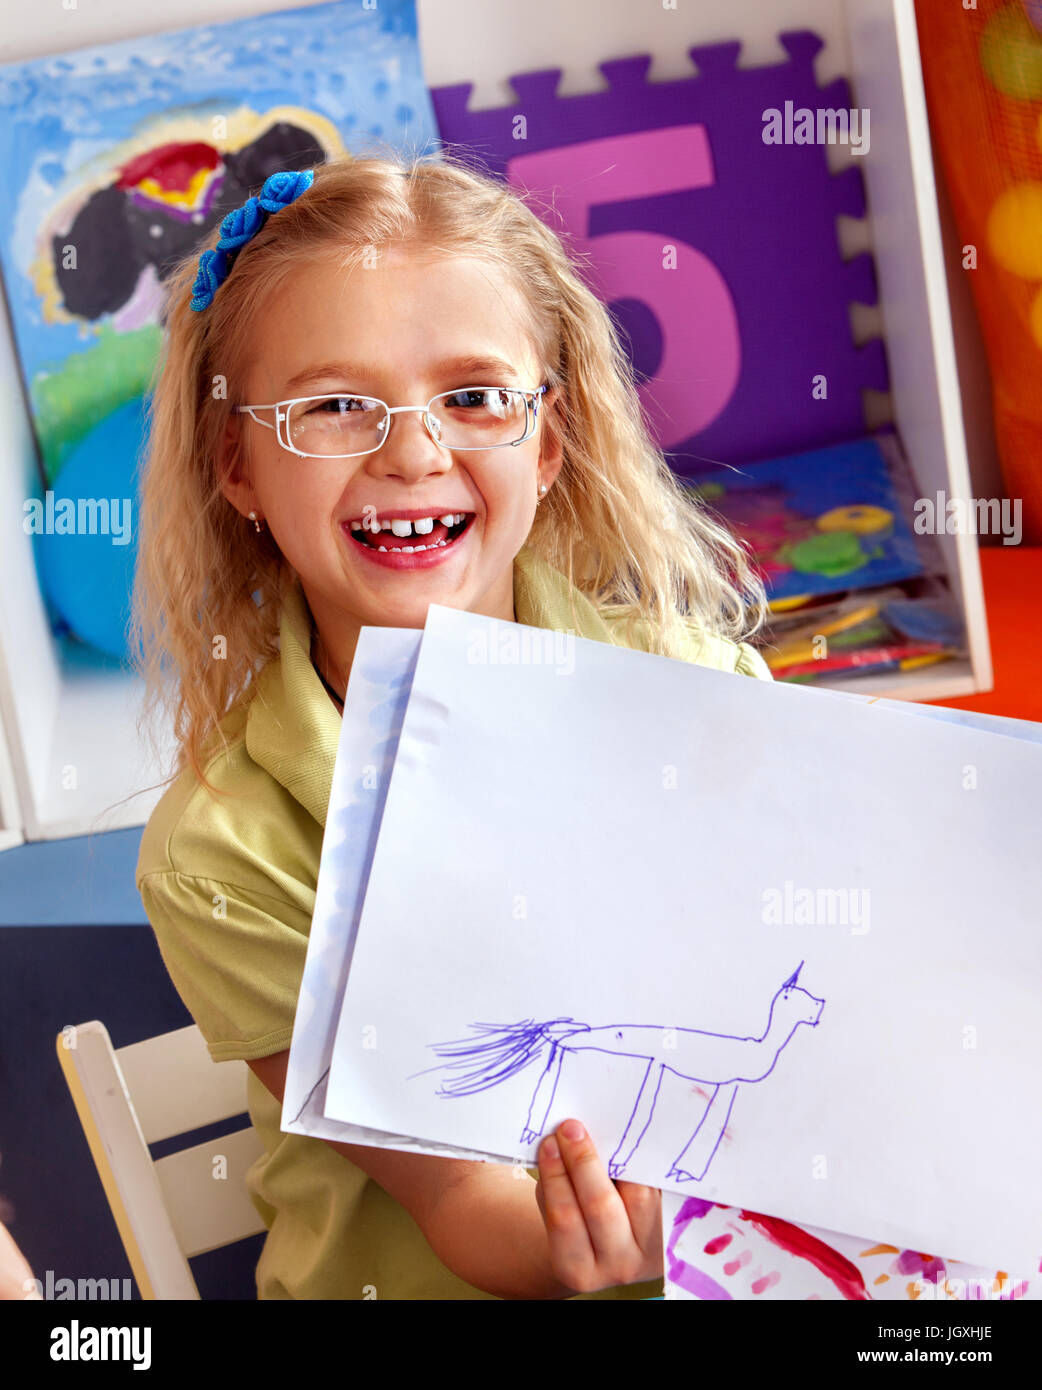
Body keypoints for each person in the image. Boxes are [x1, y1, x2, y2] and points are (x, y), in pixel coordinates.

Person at [131, 151, 772, 1301]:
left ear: (548, 439)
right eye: (334, 406)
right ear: (235, 463)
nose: (414, 452)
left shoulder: (702, 691)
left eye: (473, 397)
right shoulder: (226, 852)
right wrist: (609, 1255)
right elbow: (458, 1207)